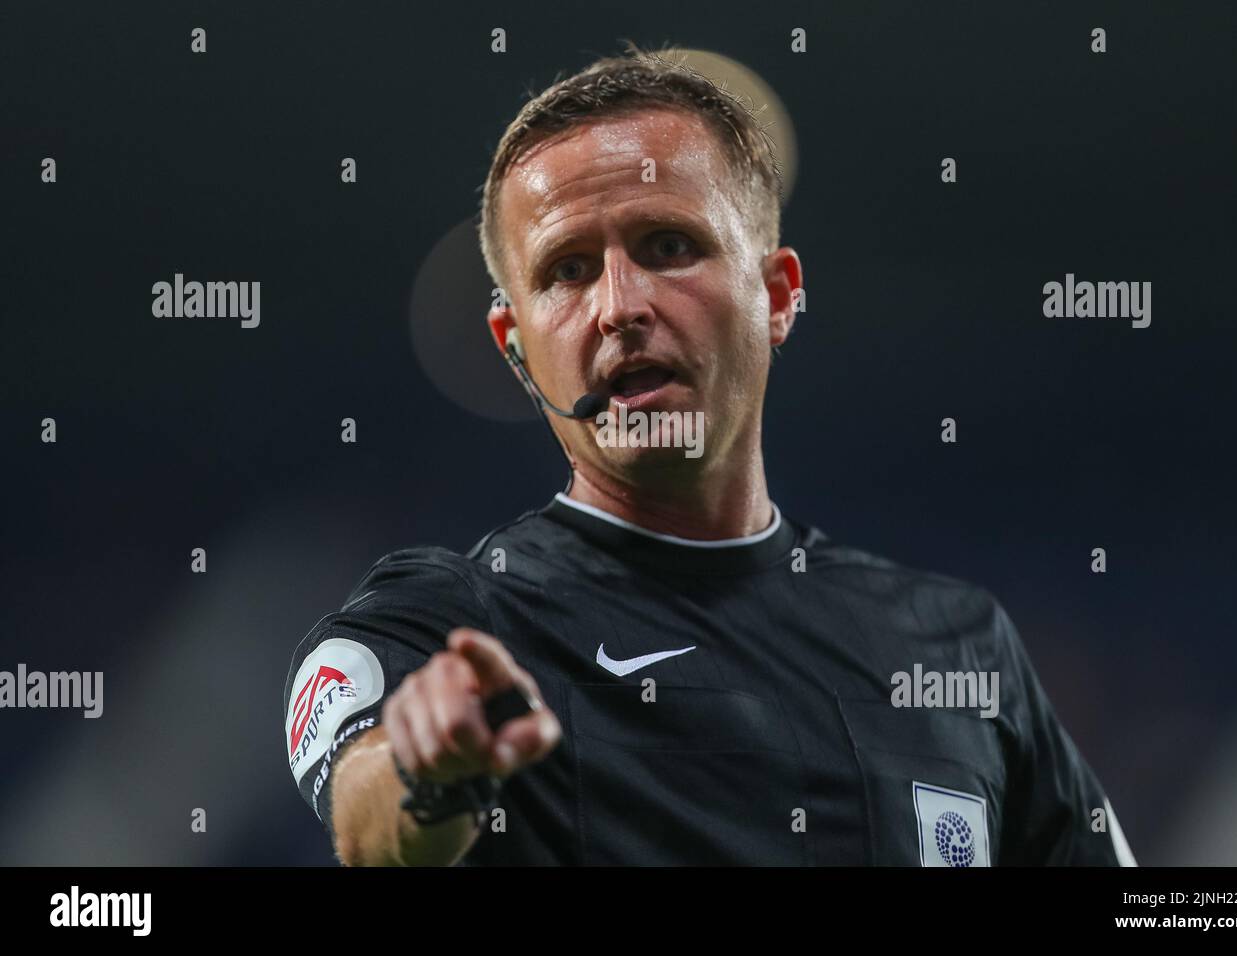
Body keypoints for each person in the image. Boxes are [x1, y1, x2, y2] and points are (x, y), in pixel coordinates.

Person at [283, 46, 1136, 867]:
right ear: (515, 345)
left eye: (668, 247)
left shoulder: (956, 648)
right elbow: (370, 816)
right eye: (569, 270)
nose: (619, 305)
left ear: (776, 297)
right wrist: (429, 777)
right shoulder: (457, 624)